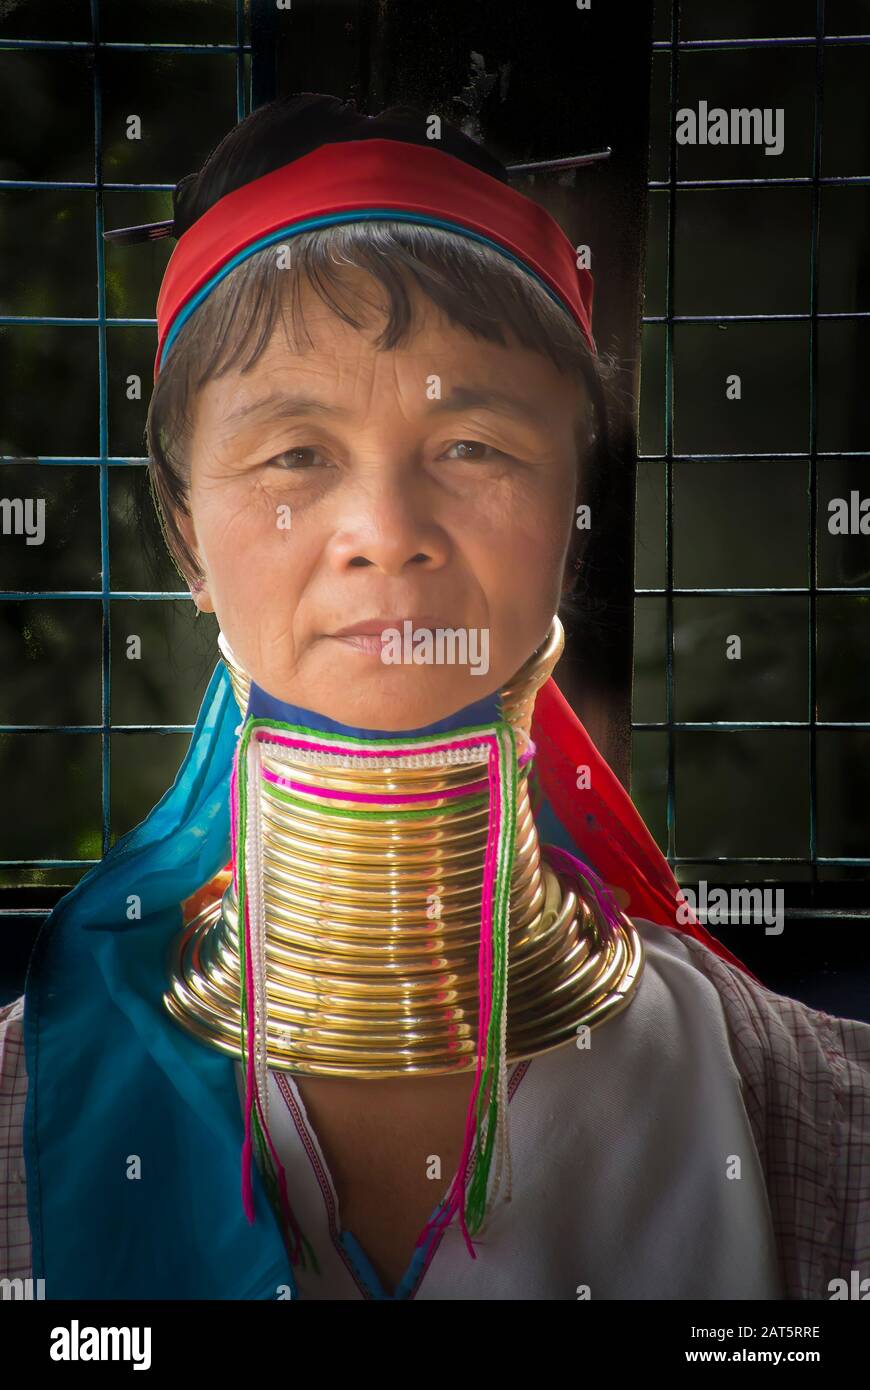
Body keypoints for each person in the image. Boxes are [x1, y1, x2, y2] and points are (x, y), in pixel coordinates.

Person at [1, 94, 868, 1302]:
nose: (387, 534)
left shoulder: (826, 1126)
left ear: (573, 517)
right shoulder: (19, 1119)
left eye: (474, 445)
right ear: (189, 534)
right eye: (295, 452)